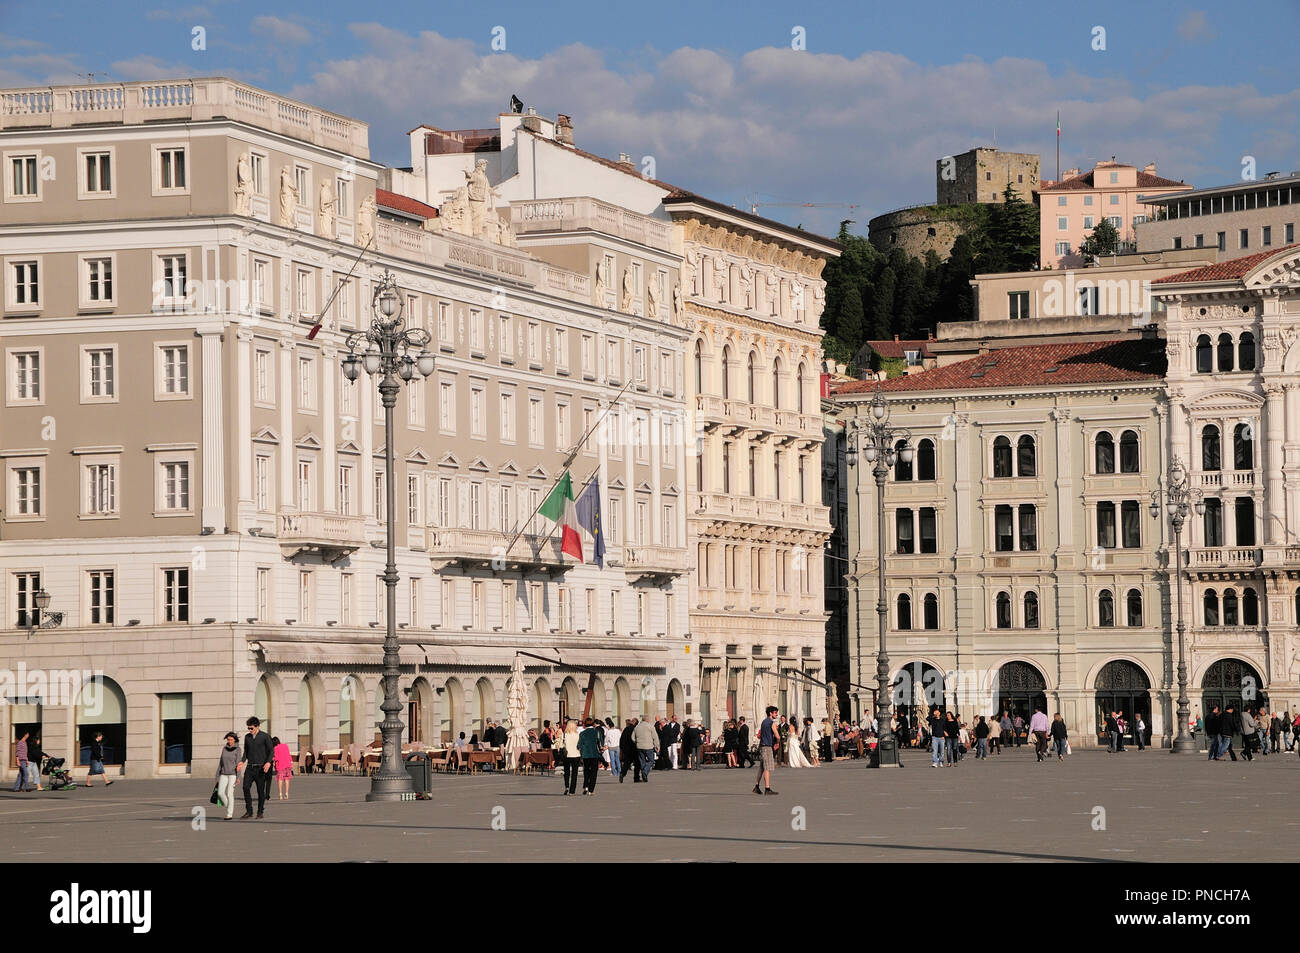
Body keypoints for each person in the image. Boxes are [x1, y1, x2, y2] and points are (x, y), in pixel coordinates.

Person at [238, 716, 274, 820]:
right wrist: (242, 761)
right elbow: (246, 752)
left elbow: (271, 751)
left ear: (257, 726)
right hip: (250, 768)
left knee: (260, 791)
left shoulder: (265, 736)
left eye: (251, 728)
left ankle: (260, 812)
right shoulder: (247, 737)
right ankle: (249, 811)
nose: (250, 730)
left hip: (261, 769)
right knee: (245, 787)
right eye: (248, 728)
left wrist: (268, 763)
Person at [753, 706, 780, 795]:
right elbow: (777, 735)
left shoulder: (764, 722)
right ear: (770, 713)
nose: (777, 714)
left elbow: (761, 734)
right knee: (767, 768)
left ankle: (756, 786)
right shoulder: (771, 723)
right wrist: (778, 742)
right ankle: (767, 788)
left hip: (762, 746)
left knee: (762, 767)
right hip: (767, 747)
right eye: (775, 712)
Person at [215, 732, 240, 820]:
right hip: (223, 774)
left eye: (231, 740)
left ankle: (229, 814)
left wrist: (238, 777)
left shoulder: (238, 749)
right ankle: (228, 805)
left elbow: (238, 764)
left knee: (230, 794)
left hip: (233, 775)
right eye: (228, 739)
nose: (229, 741)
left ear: (235, 740)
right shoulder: (224, 749)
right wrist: (217, 776)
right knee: (220, 793)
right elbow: (220, 763)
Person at [577, 718, 602, 795]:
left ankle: (586, 786)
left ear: (585, 724)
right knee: (594, 772)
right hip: (594, 754)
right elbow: (600, 742)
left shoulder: (582, 733)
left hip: (586, 754)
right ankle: (591, 790)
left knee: (586, 771)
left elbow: (579, 745)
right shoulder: (597, 732)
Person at [633, 715, 659, 782]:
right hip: (649, 746)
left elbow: (632, 737)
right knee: (651, 760)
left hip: (639, 746)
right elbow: (655, 737)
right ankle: (645, 771)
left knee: (642, 761)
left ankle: (644, 775)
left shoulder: (637, 727)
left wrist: (636, 742)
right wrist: (657, 745)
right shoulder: (650, 726)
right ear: (647, 720)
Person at [561, 719, 582, 795]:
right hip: (576, 755)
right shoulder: (578, 735)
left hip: (567, 755)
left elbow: (561, 745)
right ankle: (572, 790)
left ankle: (566, 786)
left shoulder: (564, 735)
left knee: (566, 772)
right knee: (574, 773)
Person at [619, 718, 641, 782]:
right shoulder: (635, 729)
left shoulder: (626, 729)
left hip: (626, 749)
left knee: (627, 762)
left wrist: (623, 748)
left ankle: (622, 773)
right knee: (637, 763)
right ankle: (636, 778)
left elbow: (622, 739)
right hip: (634, 748)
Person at [272, 736, 292, 800]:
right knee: (287, 779)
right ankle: (286, 793)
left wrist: (272, 759)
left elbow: (276, 758)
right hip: (288, 765)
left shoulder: (275, 748)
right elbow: (289, 755)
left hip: (280, 765)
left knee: (280, 780)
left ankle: (280, 794)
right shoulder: (286, 746)